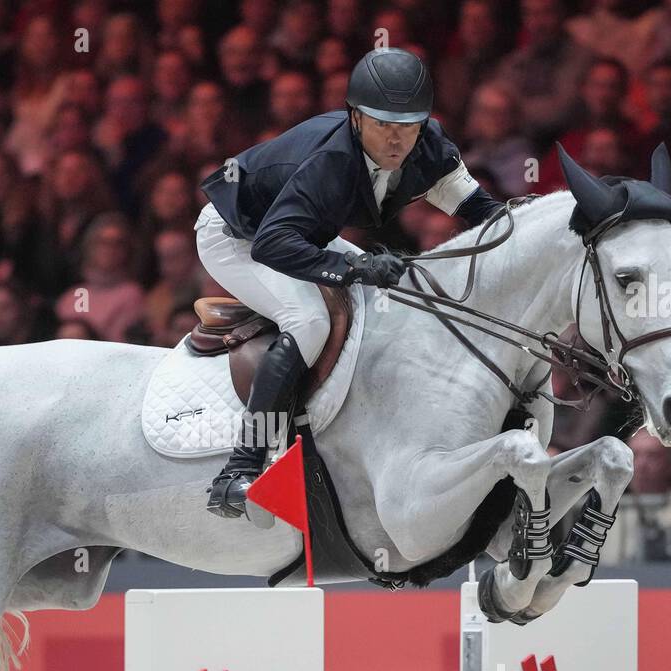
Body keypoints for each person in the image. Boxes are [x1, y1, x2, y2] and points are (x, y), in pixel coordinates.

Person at [197, 48, 504, 519]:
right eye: (384, 124)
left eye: (409, 124)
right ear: (356, 118)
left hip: (300, 231)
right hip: (236, 234)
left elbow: (483, 215)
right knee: (309, 320)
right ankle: (240, 469)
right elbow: (271, 245)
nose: (398, 138)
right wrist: (353, 270)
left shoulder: (429, 146)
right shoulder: (330, 161)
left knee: (400, 294)